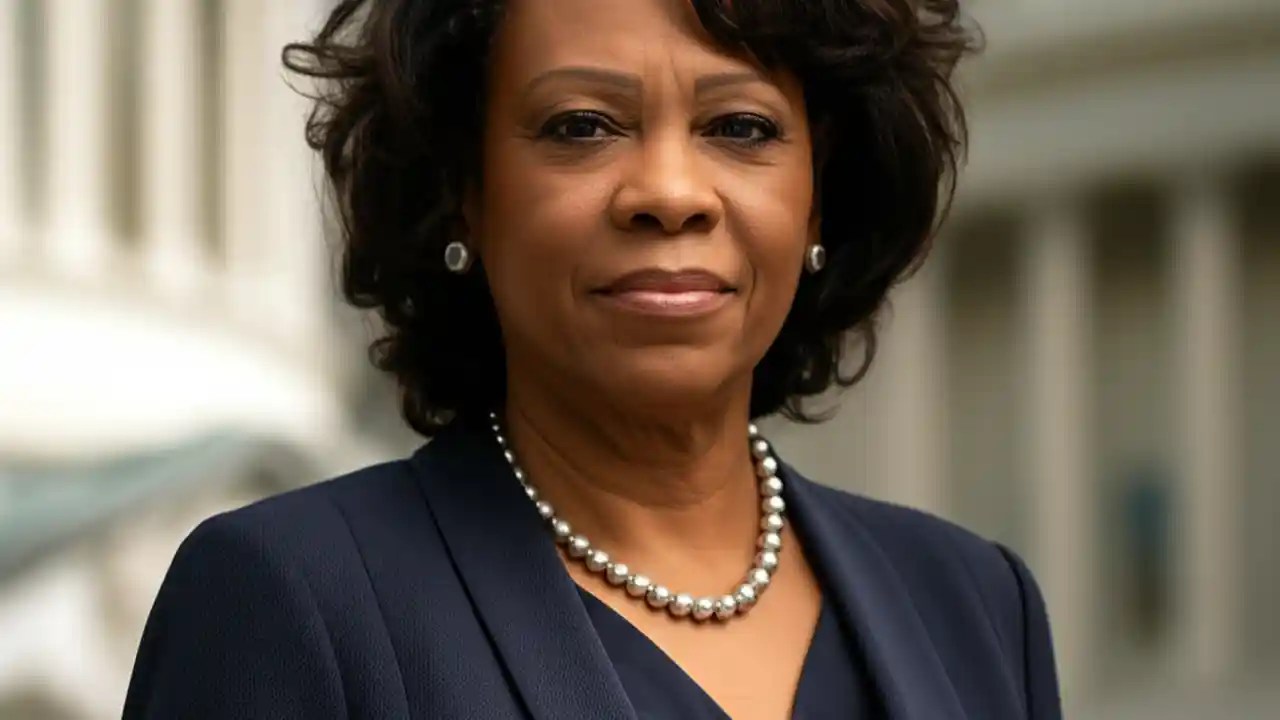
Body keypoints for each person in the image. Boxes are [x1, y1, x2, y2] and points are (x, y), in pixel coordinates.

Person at [123, 0, 1061, 717]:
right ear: (464, 193)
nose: (670, 193)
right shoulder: (288, 600)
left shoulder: (978, 609)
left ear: (819, 198)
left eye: (740, 128)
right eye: (582, 125)